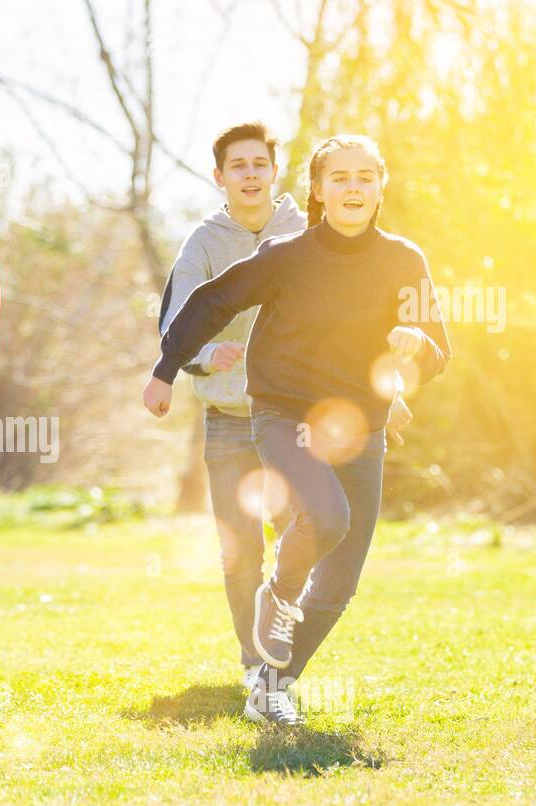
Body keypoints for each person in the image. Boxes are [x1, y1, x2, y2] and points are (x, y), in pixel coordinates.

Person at [145, 134, 451, 726]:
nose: (354, 188)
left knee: (341, 581)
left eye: (365, 177)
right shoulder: (287, 254)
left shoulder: (404, 260)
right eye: (340, 177)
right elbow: (211, 301)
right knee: (326, 518)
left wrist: (419, 345)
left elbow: (438, 347)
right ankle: (278, 598)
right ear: (317, 189)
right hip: (283, 412)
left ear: (381, 186)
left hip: (363, 422)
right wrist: (165, 369)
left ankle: (271, 686)